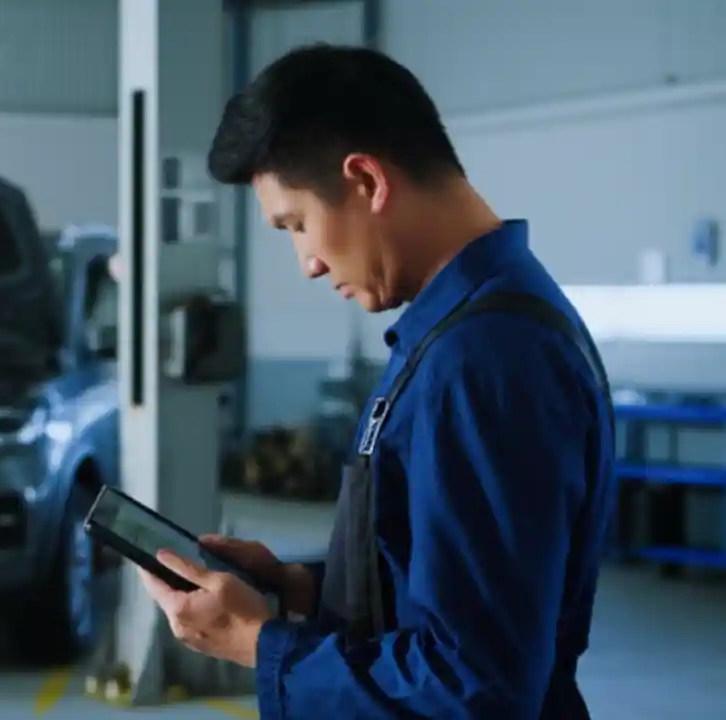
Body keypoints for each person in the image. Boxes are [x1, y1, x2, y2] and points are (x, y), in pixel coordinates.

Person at [136, 44, 615, 719]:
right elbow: (452, 588)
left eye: (297, 224)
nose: (306, 262)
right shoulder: (472, 325)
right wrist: (302, 588)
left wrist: (260, 647)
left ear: (365, 180)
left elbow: (475, 687)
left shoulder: (481, 359)